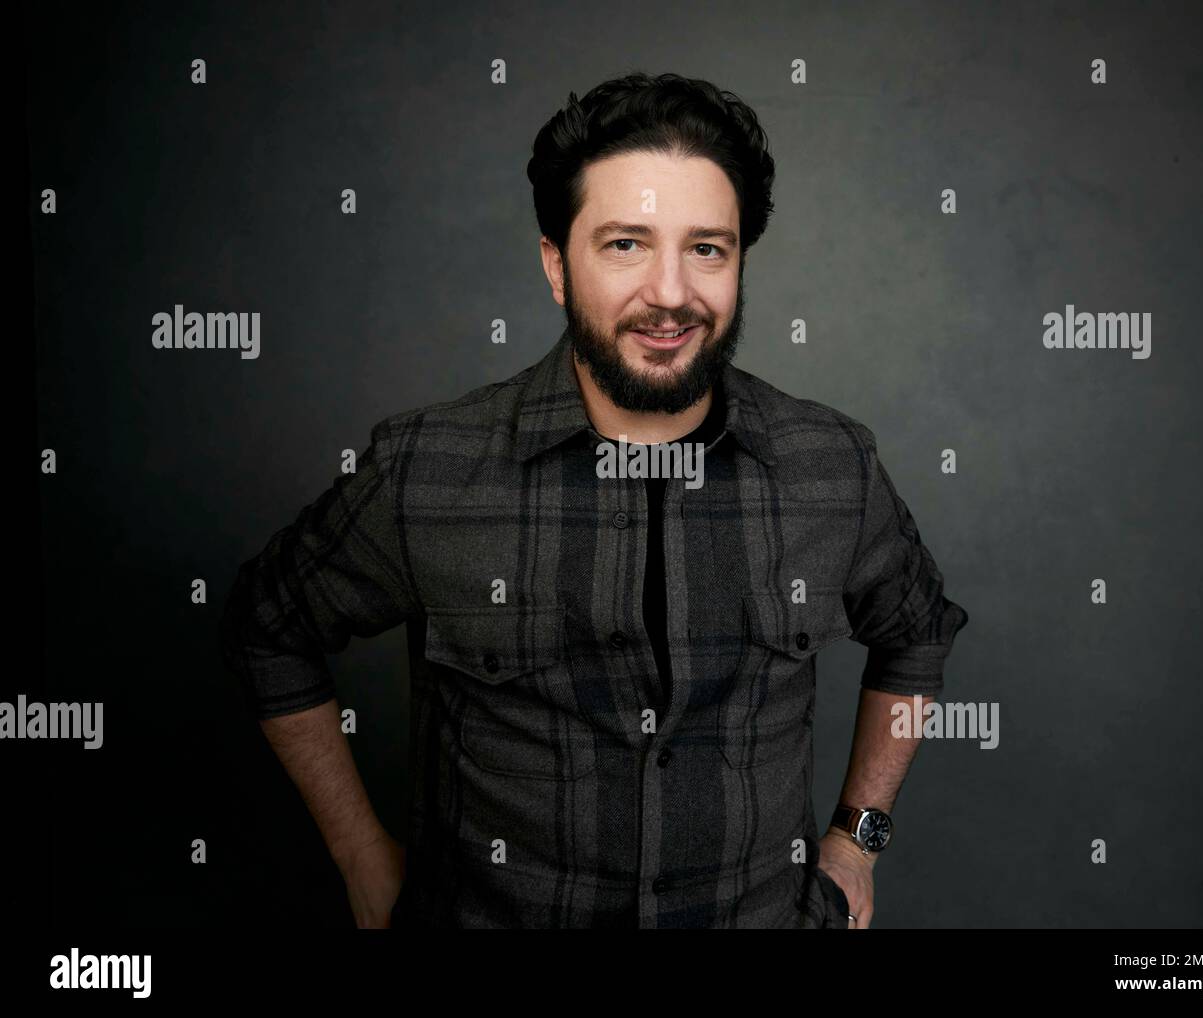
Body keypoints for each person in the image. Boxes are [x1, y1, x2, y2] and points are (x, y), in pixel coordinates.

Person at [219, 71, 969, 929]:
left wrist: (856, 840)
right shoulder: (429, 468)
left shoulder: (830, 464)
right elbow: (266, 629)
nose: (671, 293)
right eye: (625, 244)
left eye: (706, 248)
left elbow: (915, 632)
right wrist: (359, 855)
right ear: (555, 265)